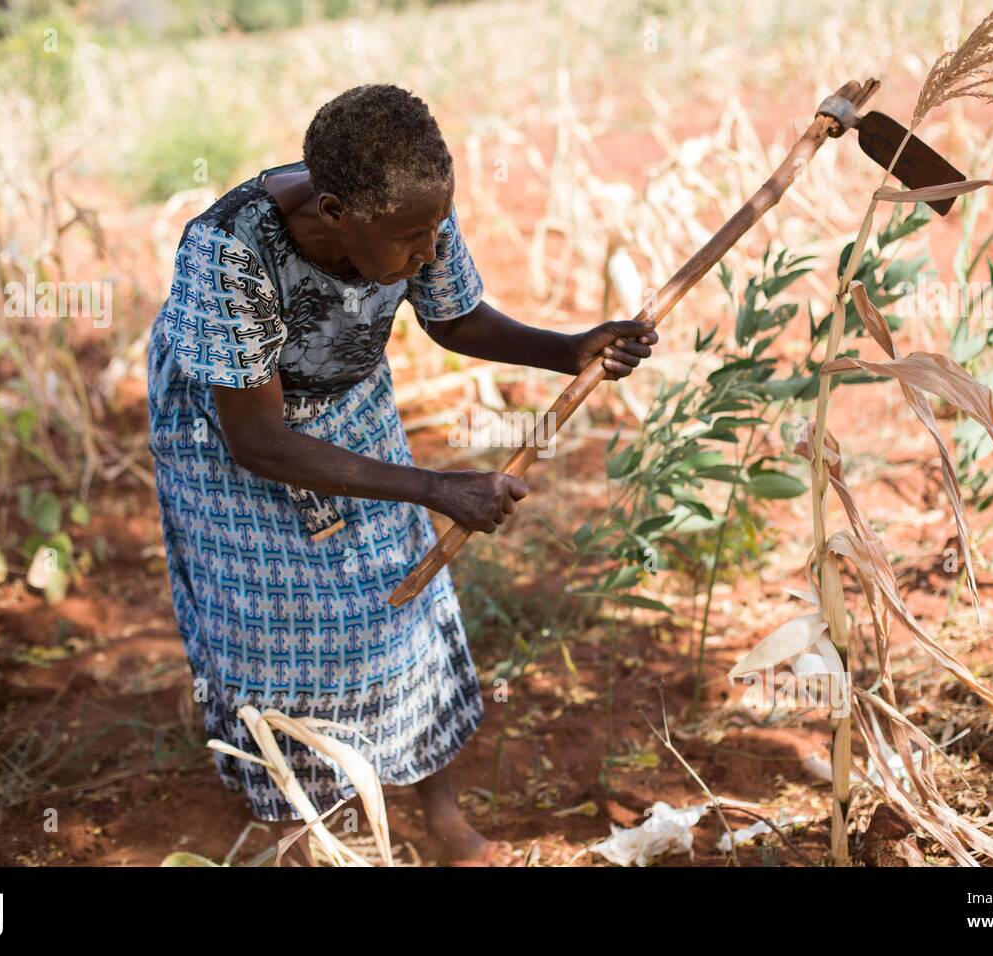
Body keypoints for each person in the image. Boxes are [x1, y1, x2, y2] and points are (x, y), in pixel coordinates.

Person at [146, 84, 656, 865]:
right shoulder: (228, 254)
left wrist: (569, 348)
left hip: (346, 400)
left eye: (436, 228)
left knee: (398, 595)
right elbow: (259, 441)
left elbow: (450, 314)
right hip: (229, 435)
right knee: (274, 628)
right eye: (412, 237)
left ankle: (439, 814)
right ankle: (305, 823)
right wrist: (432, 486)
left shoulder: (407, 207)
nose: (429, 248)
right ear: (336, 213)